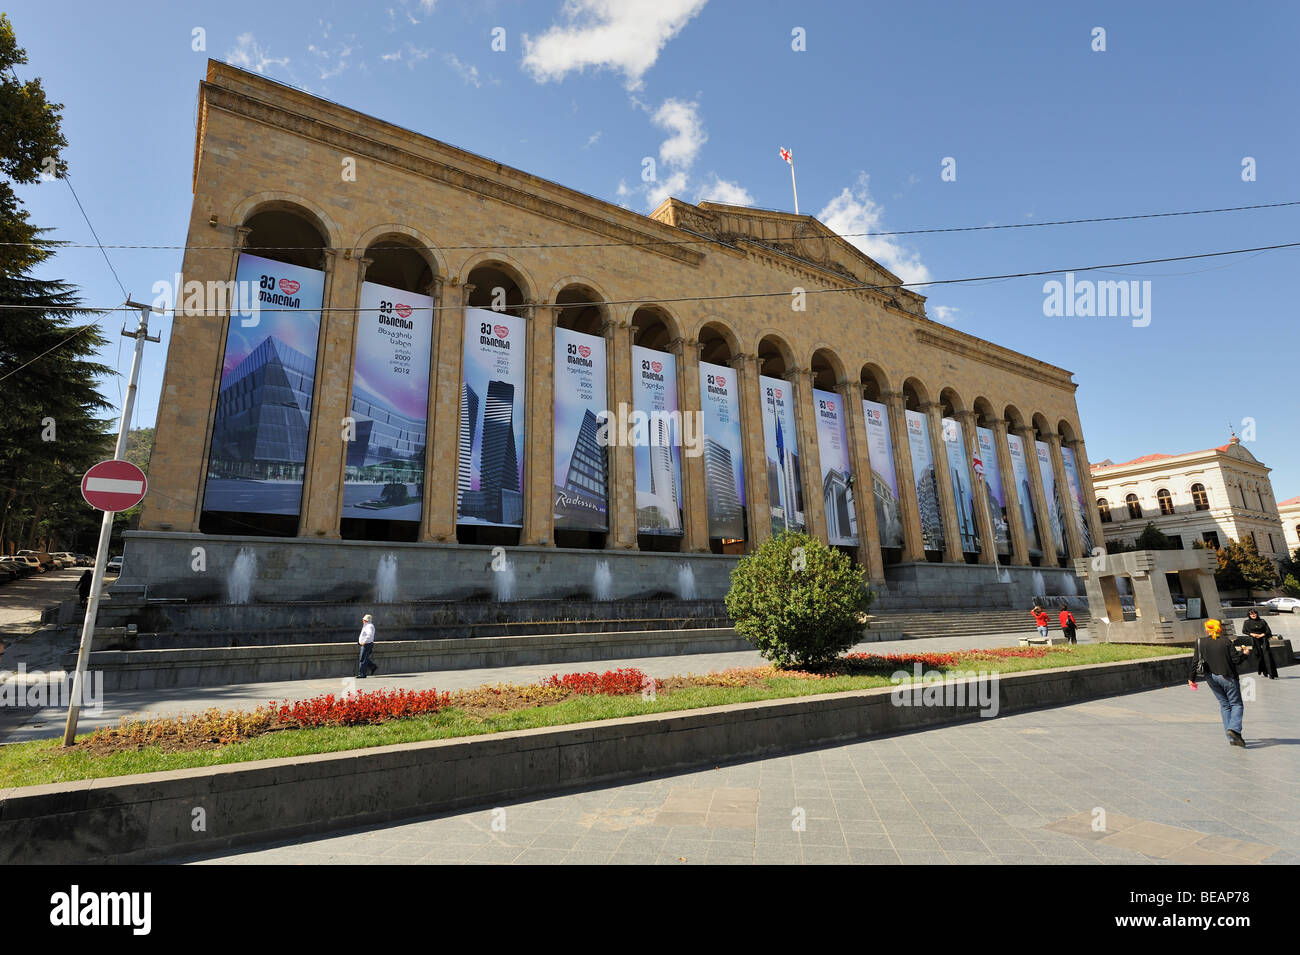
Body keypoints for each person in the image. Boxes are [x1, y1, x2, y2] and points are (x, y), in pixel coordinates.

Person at [1188, 618, 1252, 747]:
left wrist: (1191, 678)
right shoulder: (1226, 642)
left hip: (1211, 678)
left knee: (1224, 705)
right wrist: (1245, 654)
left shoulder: (1200, 642)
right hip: (1227, 677)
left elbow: (1195, 661)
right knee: (1236, 704)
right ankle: (1234, 729)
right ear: (1219, 629)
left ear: (1208, 629)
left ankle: (1232, 739)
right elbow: (1236, 661)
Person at [1240, 609, 1278, 679]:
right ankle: (1264, 671)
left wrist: (1262, 635)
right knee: (1259, 655)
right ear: (1249, 615)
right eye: (1251, 614)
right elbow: (1244, 631)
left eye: (1254, 613)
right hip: (1254, 640)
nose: (1253, 615)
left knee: (1267, 655)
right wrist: (1252, 634)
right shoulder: (1247, 622)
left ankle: (1271, 673)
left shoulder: (1262, 621)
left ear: (1257, 614)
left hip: (1263, 639)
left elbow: (1268, 631)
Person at [357, 613, 378, 679]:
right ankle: (373, 666)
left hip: (367, 644)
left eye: (363, 620)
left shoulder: (369, 626)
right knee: (364, 658)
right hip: (366, 644)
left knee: (362, 659)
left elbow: (369, 635)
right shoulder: (366, 625)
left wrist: (364, 642)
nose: (362, 621)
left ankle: (362, 674)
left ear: (366, 620)